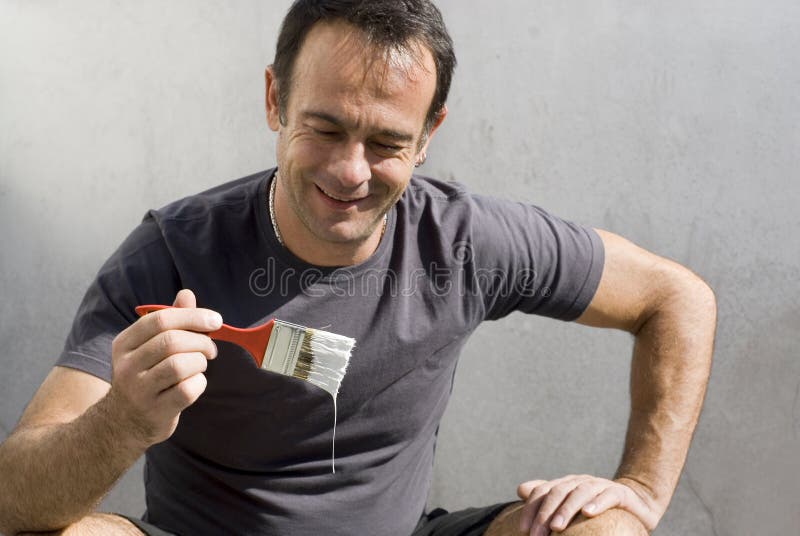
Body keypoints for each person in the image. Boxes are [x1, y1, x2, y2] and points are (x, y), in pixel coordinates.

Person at [0, 1, 716, 535]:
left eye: (385, 142)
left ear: (429, 135)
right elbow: (12, 497)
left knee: (608, 532)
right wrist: (124, 420)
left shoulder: (466, 242)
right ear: (275, 99)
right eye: (326, 127)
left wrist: (642, 489)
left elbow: (676, 297)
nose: (350, 171)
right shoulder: (173, 253)